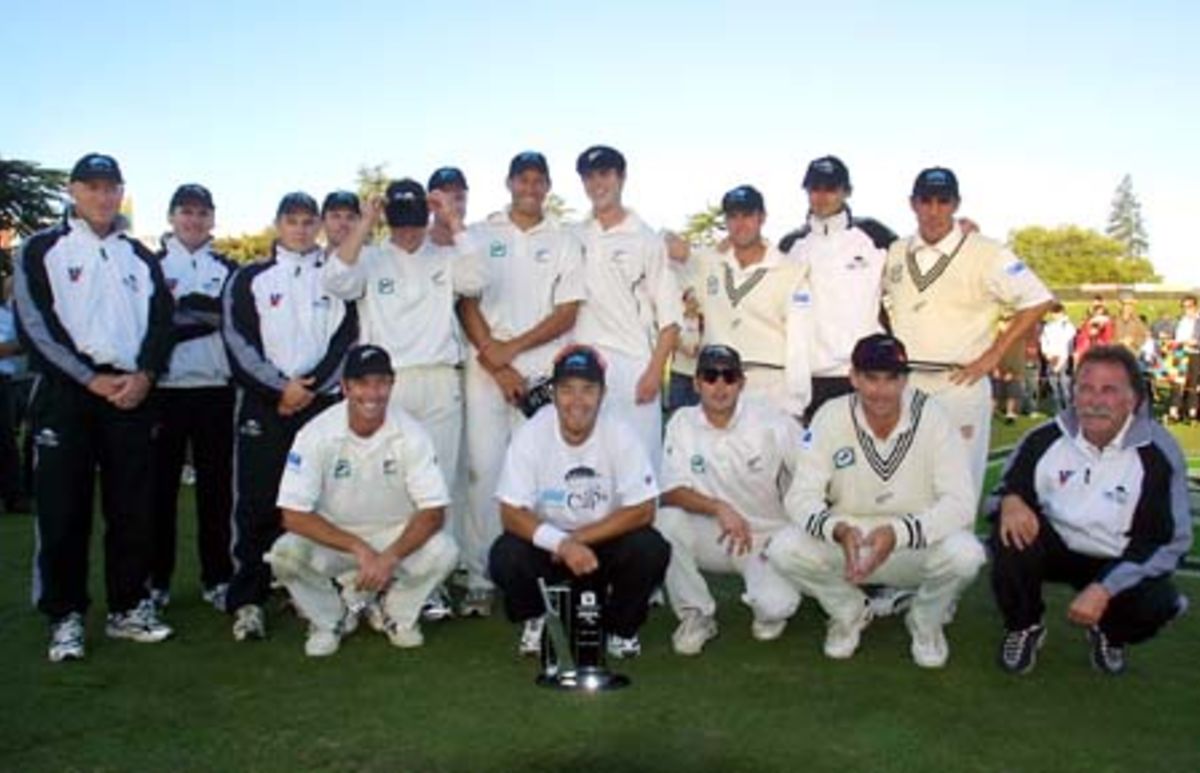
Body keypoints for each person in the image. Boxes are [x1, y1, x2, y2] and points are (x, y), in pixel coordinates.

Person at [13, 153, 175, 661]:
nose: (104, 197)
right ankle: (65, 617)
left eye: (112, 188)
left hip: (131, 396)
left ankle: (128, 607)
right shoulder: (41, 249)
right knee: (64, 510)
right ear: (73, 191)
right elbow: (34, 326)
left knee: (132, 509)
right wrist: (90, 379)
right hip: (68, 397)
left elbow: (161, 324)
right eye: (94, 187)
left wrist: (145, 374)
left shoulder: (139, 256)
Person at [768, 334, 984, 668]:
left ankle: (925, 621)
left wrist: (898, 533)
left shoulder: (934, 417)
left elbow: (959, 503)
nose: (881, 390)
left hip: (913, 539)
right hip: (850, 540)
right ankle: (849, 610)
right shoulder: (830, 416)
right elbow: (801, 497)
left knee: (967, 554)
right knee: (782, 548)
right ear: (853, 377)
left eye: (891, 379)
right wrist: (836, 529)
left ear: (905, 379)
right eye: (870, 378)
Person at [325, 179, 482, 621]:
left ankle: (430, 584)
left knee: (438, 484)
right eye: (400, 223)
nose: (409, 232)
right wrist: (367, 222)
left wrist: (452, 221)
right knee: (384, 483)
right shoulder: (371, 258)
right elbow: (335, 279)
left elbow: (477, 277)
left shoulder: (447, 256)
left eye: (417, 222)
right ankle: (379, 576)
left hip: (438, 379)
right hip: (386, 385)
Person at [990, 345, 1192, 675]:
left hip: (1118, 556)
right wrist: (1011, 501)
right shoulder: (1044, 438)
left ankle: (1110, 633)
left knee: (1161, 603)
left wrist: (1105, 588)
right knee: (1008, 528)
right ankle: (1024, 625)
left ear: (1134, 399)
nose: (1095, 400)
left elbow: (1169, 542)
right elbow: (1003, 492)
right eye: (1086, 388)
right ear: (1073, 393)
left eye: (1109, 390)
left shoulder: (1158, 454)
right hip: (1056, 546)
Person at [221, 191, 358, 641]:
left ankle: (316, 594)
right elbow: (238, 341)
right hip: (265, 403)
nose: (300, 229)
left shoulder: (336, 275)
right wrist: (280, 387)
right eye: (292, 221)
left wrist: (311, 386)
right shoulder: (250, 278)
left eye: (307, 221)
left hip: (319, 404)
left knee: (324, 501)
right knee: (258, 504)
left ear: (318, 226)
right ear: (278, 224)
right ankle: (248, 600)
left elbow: (347, 337)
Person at [455, 151, 585, 617]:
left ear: (548, 186)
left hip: (540, 368)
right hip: (485, 367)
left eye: (539, 180)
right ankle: (479, 575)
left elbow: (567, 310)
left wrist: (514, 351)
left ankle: (536, 571)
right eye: (523, 179)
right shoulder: (480, 234)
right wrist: (495, 356)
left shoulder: (565, 239)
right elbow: (466, 301)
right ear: (509, 182)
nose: (530, 187)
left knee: (539, 475)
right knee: (483, 472)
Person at [265, 345, 458, 656]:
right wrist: (359, 548)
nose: (372, 393)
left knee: (445, 552)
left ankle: (397, 613)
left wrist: (389, 557)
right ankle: (330, 619)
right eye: (362, 383)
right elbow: (292, 514)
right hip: (338, 537)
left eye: (381, 382)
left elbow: (433, 511)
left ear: (392, 385)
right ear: (345, 387)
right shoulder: (316, 433)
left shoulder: (411, 433)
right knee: (284, 554)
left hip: (393, 532)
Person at [882, 167, 1053, 498]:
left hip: (959, 384)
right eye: (925, 200)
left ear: (956, 203)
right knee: (904, 490)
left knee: (957, 490)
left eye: (943, 201)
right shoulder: (895, 252)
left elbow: (1037, 300)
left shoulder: (987, 252)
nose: (934, 210)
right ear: (912, 204)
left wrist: (992, 356)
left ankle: (959, 551)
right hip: (906, 385)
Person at [489, 344, 669, 658]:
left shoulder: (621, 432)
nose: (577, 401)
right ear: (554, 393)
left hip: (603, 540)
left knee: (650, 548)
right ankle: (538, 617)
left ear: (603, 393)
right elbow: (510, 512)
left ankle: (621, 628)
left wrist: (577, 540)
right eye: (567, 390)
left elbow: (644, 509)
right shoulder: (532, 434)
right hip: (551, 546)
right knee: (506, 554)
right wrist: (559, 543)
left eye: (588, 390)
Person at [656, 344, 801, 655]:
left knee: (776, 608)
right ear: (696, 383)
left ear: (741, 383)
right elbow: (669, 490)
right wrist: (719, 508)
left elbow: (813, 471)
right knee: (666, 522)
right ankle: (696, 615)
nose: (719, 385)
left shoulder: (773, 422)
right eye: (710, 376)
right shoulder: (682, 422)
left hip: (767, 539)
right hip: (715, 533)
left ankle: (767, 600)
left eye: (729, 376)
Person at [148, 183, 237, 612]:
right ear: (171, 217)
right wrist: (198, 314)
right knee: (159, 493)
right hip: (163, 390)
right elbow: (155, 324)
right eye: (186, 212)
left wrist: (188, 312)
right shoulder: (150, 264)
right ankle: (156, 581)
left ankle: (218, 578)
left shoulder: (228, 267)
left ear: (212, 219)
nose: (194, 220)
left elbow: (230, 320)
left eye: (202, 213)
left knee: (216, 493)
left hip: (215, 390)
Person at [572, 144, 681, 464]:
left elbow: (670, 319)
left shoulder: (647, 239)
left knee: (639, 465)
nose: (597, 184)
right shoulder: (572, 236)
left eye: (604, 174)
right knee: (588, 466)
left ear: (621, 178)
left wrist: (653, 372)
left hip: (633, 367)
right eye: (589, 177)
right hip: (584, 364)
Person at [778, 156, 896, 422]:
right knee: (814, 460)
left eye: (831, 188)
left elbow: (919, 261)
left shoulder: (875, 236)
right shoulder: (790, 246)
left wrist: (961, 229)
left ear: (846, 191)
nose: (822, 196)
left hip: (864, 373)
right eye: (815, 188)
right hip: (810, 379)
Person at [677, 185, 811, 419]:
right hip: (719, 383)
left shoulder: (791, 271)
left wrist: (796, 401)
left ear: (762, 217)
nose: (740, 224)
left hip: (770, 384)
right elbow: (665, 246)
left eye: (748, 215)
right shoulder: (708, 263)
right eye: (733, 217)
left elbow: (799, 341)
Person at [0, 269, 31, 514]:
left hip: (5, 380)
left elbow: (23, 343)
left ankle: (15, 495)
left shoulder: (6, 315)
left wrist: (6, 349)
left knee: (5, 439)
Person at [1168, 294, 1200, 422]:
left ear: (1195, 306)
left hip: (1195, 354)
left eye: (1189, 306)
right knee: (1177, 383)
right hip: (1180, 354)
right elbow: (1175, 338)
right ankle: (1174, 411)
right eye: (1184, 307)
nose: (1186, 309)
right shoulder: (1179, 321)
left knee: (1193, 384)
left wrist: (1194, 342)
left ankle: (1192, 412)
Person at [1039, 303, 1075, 411]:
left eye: (1056, 313)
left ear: (1062, 313)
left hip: (1063, 359)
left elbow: (1068, 345)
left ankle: (1069, 410)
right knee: (1053, 385)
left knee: (1064, 385)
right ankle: (1058, 410)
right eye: (1053, 313)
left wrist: (1060, 362)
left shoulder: (1068, 326)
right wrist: (1047, 355)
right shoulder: (1048, 326)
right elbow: (1044, 342)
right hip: (1051, 357)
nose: (1054, 316)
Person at [320, 190, 361, 255]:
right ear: (323, 222)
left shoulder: (376, 261)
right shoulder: (309, 263)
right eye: (336, 216)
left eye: (350, 217)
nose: (343, 223)